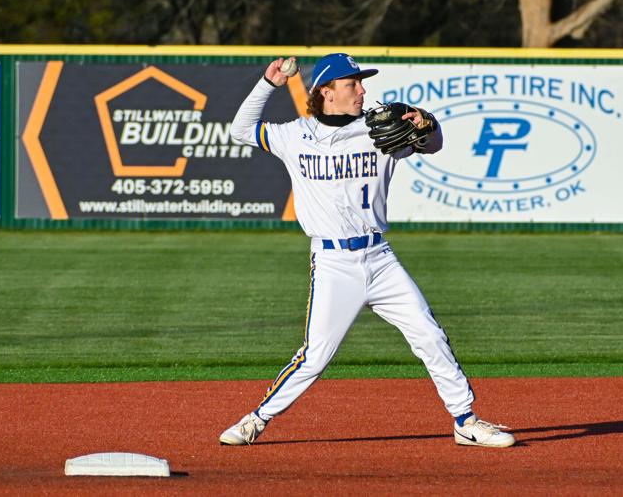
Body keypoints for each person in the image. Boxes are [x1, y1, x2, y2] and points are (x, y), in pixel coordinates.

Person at [220, 53, 514, 448]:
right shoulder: (295, 135)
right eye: (352, 84)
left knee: (429, 335)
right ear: (325, 91)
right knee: (315, 357)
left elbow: (434, 144)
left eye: (361, 82)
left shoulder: (379, 130)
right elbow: (240, 130)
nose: (362, 90)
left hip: (380, 257)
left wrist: (426, 124)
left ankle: (465, 420)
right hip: (333, 262)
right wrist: (268, 83)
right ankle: (256, 420)